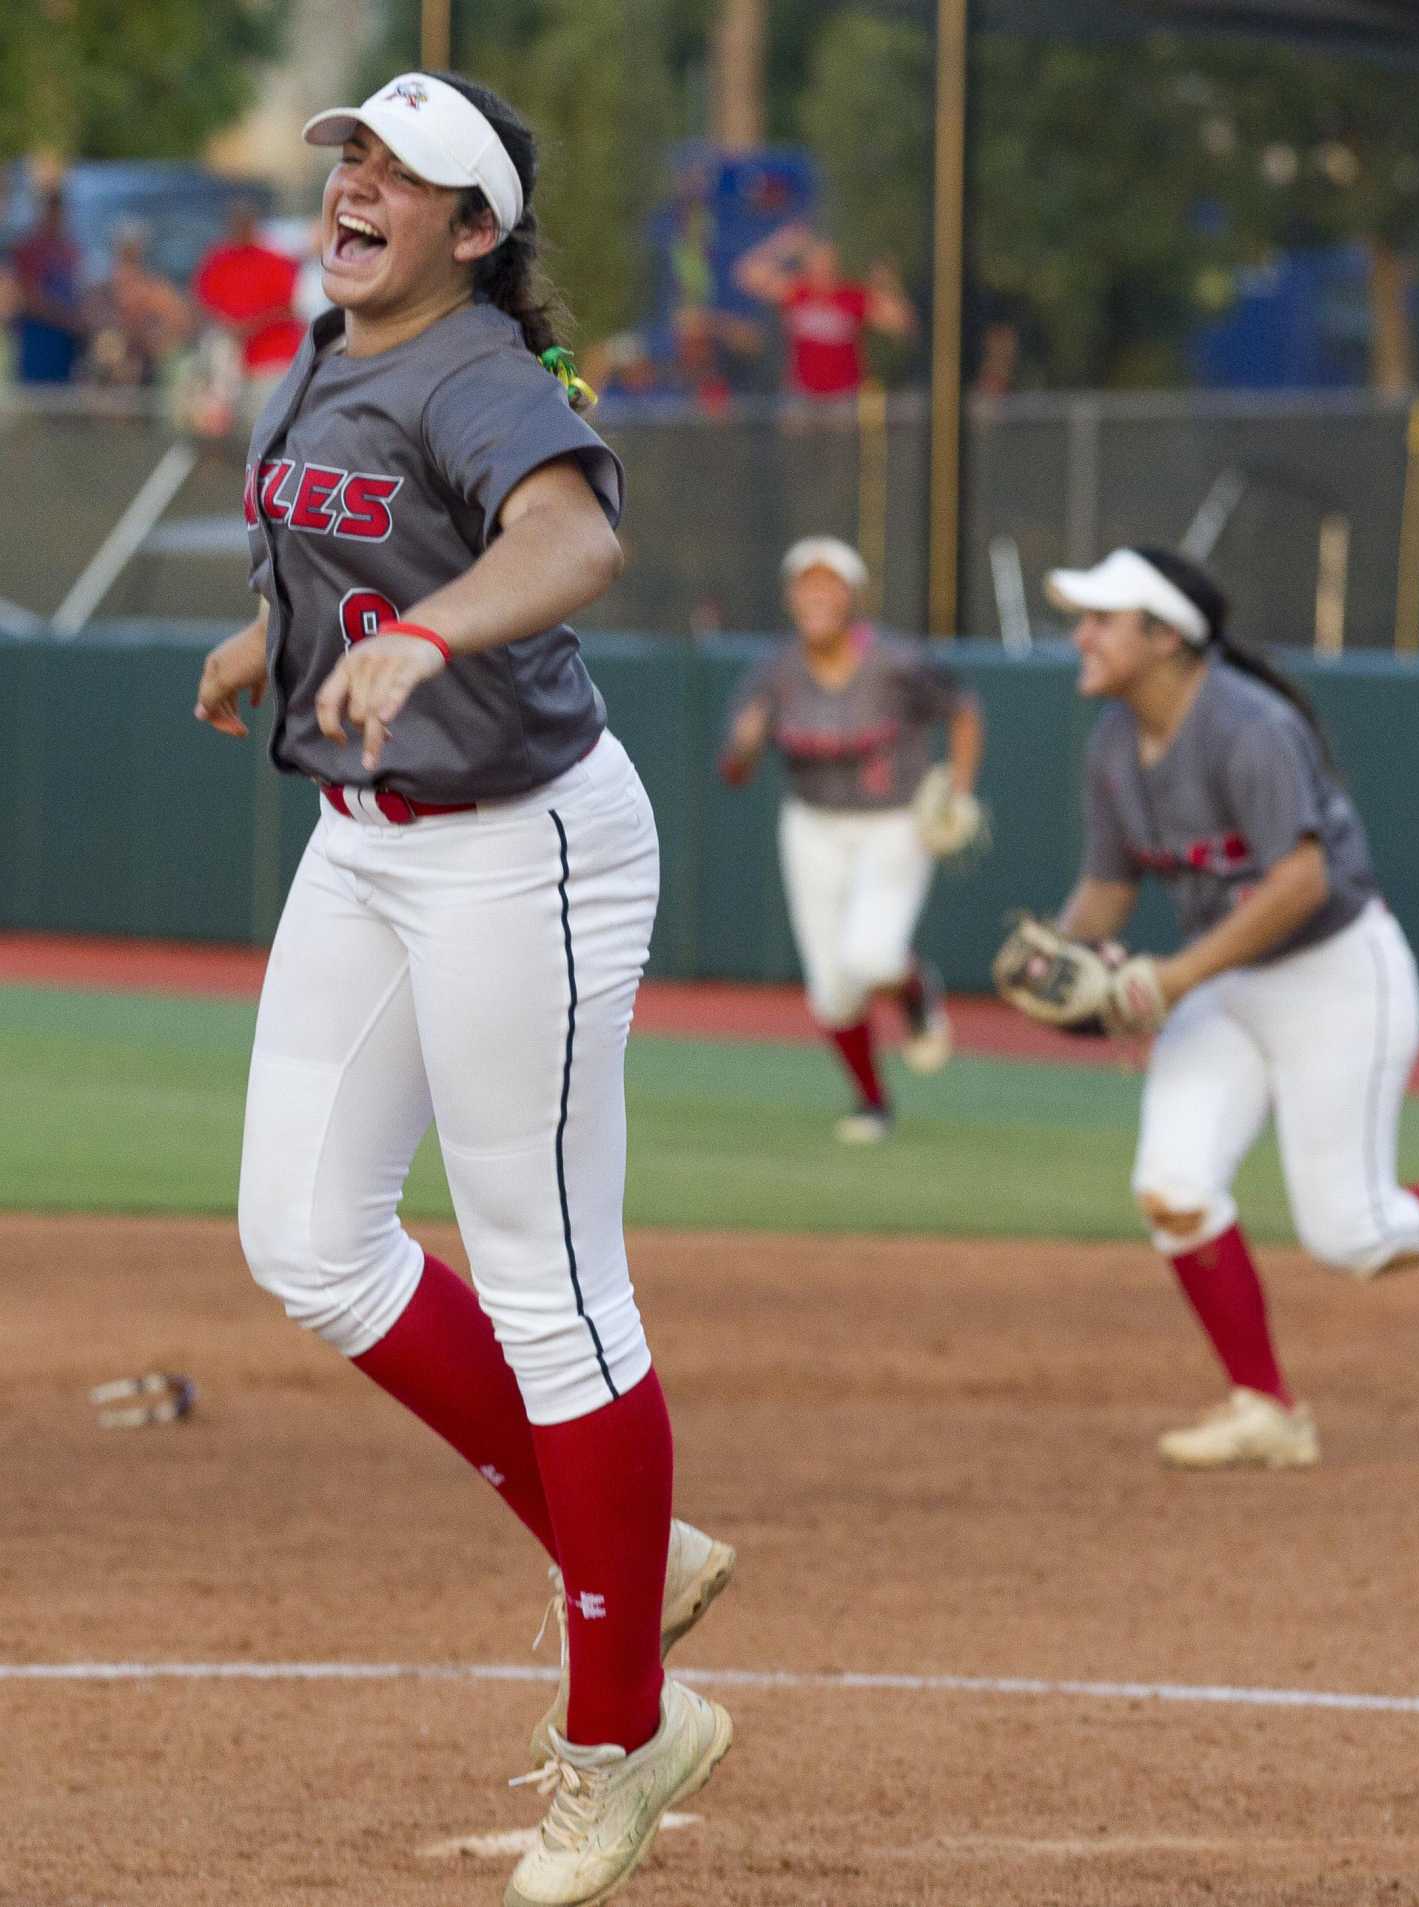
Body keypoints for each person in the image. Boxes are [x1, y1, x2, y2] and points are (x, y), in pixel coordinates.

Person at [189, 72, 732, 1907]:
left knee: (555, 1284)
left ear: (474, 232)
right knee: (307, 1238)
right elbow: (357, 533)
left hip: (527, 847)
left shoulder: (484, 367)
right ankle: (627, 1545)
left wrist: (419, 633)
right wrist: (279, 632)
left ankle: (621, 1736)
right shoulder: (327, 343)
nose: (354, 183)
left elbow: (569, 539)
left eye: (402, 173)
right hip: (368, 836)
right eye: (350, 153)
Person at [1012, 546, 1419, 1471]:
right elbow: (1107, 888)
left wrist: (1165, 982)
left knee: (1351, 1234)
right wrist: (1058, 949)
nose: (1079, 635)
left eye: (1100, 618)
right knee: (1174, 1186)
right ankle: (1266, 1405)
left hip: (1334, 973)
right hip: (1222, 981)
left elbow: (1301, 882)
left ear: (1164, 636)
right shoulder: (1115, 744)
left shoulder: (1250, 727)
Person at [719, 536, 984, 1142]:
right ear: (791, 597)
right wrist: (745, 743)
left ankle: (915, 991)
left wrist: (962, 789)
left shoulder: (894, 660)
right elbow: (734, 772)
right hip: (812, 825)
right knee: (832, 993)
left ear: (852, 596)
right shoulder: (775, 669)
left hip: (892, 822)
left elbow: (964, 709)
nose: (816, 595)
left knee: (872, 956)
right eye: (805, 584)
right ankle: (873, 1103)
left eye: (828, 583)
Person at [735, 223, 915, 401]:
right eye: (816, 262)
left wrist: (889, 284)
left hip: (844, 396)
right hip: (803, 395)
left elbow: (903, 324)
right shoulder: (796, 292)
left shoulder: (852, 296)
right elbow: (747, 275)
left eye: (828, 261)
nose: (822, 268)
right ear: (807, 265)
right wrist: (783, 245)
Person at [192, 198, 306, 393]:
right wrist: (229, 326)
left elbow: (287, 309)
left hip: (271, 355)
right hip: (230, 355)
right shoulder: (218, 260)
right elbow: (201, 302)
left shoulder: (274, 261)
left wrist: (248, 327)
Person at [86, 221, 191, 387]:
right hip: (112, 366)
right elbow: (90, 317)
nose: (129, 253)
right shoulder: (102, 287)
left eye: (132, 247)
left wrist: (152, 337)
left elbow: (180, 319)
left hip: (144, 363)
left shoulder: (152, 286)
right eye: (124, 247)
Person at [8, 184, 84, 385]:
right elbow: (26, 297)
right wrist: (63, 316)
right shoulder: (28, 249)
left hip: (64, 342)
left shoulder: (70, 250)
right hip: (38, 338)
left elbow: (78, 290)